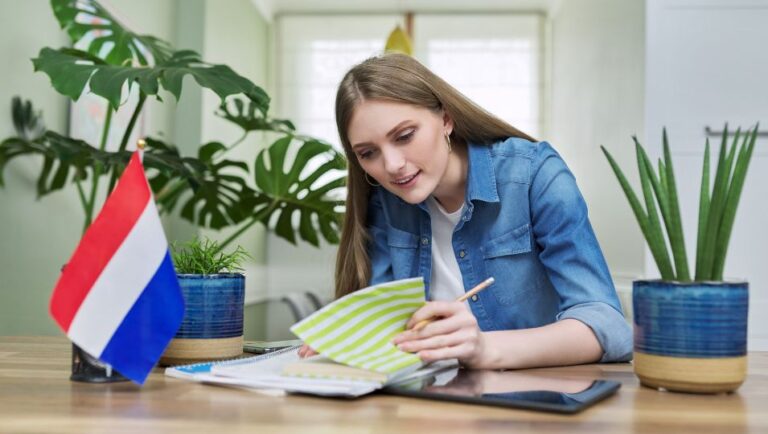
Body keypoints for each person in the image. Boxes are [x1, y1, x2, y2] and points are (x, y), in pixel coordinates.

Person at [299, 53, 632, 369]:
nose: (392, 166)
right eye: (368, 152)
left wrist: (485, 349)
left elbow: (608, 325)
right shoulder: (384, 200)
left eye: (404, 136)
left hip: (538, 406)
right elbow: (387, 323)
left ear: (446, 119)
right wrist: (352, 339)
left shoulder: (535, 175)